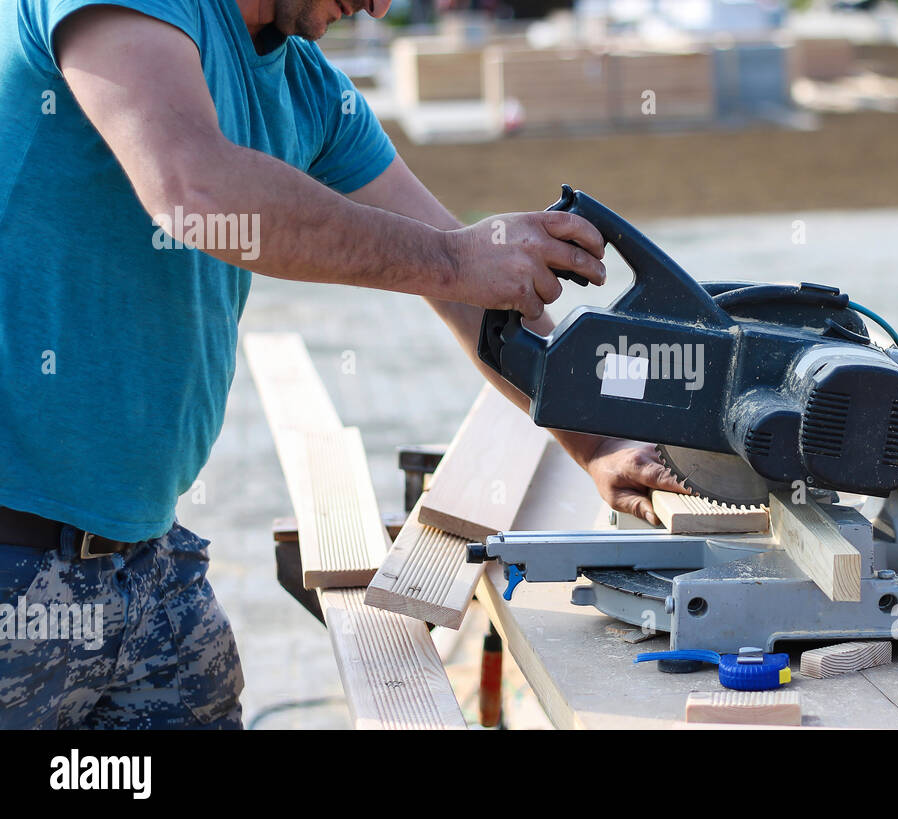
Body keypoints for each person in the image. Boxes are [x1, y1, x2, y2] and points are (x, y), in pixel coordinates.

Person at [0, 0, 684, 728]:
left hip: (145, 557)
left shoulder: (307, 87)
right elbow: (195, 192)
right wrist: (455, 259)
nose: (378, 7)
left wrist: (597, 441)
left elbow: (463, 287)